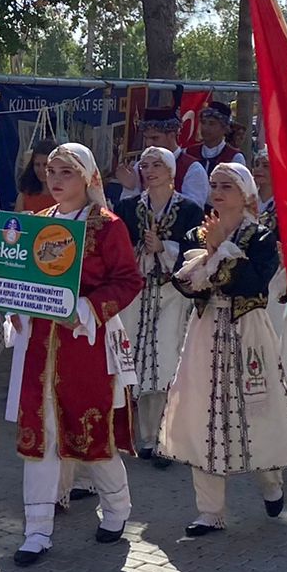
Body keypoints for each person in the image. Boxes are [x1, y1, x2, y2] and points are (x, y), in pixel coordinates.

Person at [10, 143, 143, 566]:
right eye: (51, 170)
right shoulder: (37, 224)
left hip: (85, 345)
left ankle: (117, 508)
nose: (55, 179)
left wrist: (85, 308)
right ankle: (36, 530)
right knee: (41, 434)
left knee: (89, 429)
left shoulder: (107, 227)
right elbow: (20, 275)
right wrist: (13, 302)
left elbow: (128, 280)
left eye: (66, 171)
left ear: (87, 178)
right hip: (40, 346)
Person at [160, 162, 287, 532]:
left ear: (245, 194)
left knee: (257, 407)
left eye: (227, 186)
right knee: (202, 411)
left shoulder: (260, 237)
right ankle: (210, 511)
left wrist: (218, 251)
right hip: (205, 330)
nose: (218, 192)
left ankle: (271, 483)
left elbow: (252, 284)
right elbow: (185, 284)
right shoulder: (196, 234)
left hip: (248, 331)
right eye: (214, 185)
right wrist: (208, 252)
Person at [114, 146, 203, 462]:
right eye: (145, 166)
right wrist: (141, 249)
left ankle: (168, 437)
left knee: (166, 361)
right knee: (137, 363)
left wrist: (164, 247)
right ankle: (148, 436)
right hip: (138, 297)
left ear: (170, 171)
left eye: (156, 165)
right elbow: (119, 248)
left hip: (171, 296)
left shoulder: (190, 210)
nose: (149, 171)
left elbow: (196, 253)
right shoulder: (128, 208)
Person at [188, 101, 243, 180]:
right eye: (203, 122)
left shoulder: (234, 157)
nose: (205, 128)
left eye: (212, 123)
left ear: (224, 128)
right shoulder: (189, 153)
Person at [15, 136, 59, 214]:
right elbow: (16, 219)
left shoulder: (65, 197)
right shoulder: (24, 196)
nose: (41, 170)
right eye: (37, 164)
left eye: (45, 165)